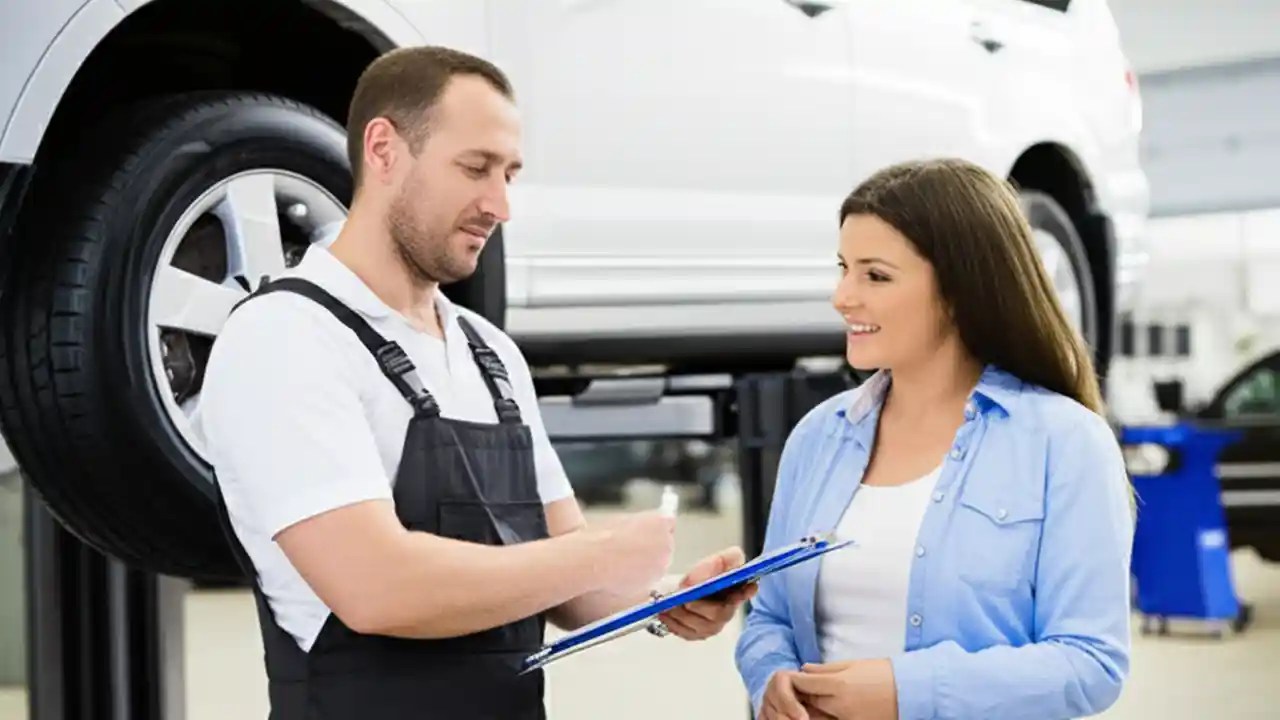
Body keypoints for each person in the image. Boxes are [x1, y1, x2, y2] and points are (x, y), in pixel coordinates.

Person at [195, 46, 754, 720]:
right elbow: (377, 588)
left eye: (511, 174)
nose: (501, 205)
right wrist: (605, 553)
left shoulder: (489, 353)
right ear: (383, 149)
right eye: (476, 168)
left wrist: (665, 598)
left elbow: (569, 588)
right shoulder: (284, 338)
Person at [734, 158, 1136, 720]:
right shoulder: (817, 438)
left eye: (874, 275)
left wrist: (906, 691)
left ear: (957, 290)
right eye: (843, 268)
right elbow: (770, 619)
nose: (842, 296)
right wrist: (770, 678)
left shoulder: (1066, 443)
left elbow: (1091, 663)